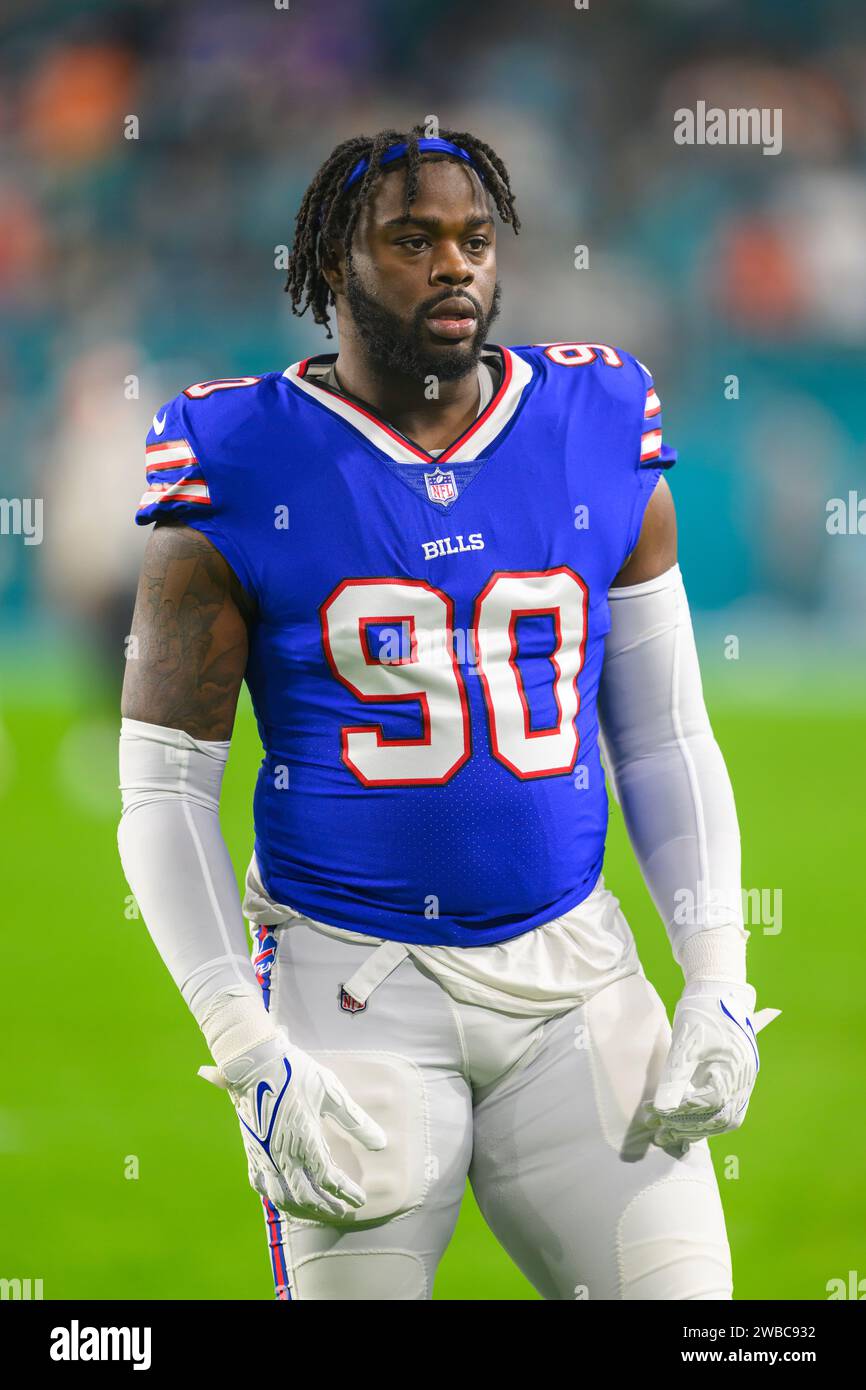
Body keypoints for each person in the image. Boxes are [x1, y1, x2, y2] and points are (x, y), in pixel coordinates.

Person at [118, 127, 778, 1301]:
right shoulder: (243, 455)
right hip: (347, 986)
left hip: (573, 974)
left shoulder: (594, 416)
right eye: (410, 240)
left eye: (474, 239)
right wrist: (245, 1040)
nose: (454, 267)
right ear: (332, 263)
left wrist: (716, 973)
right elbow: (164, 788)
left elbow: (665, 736)